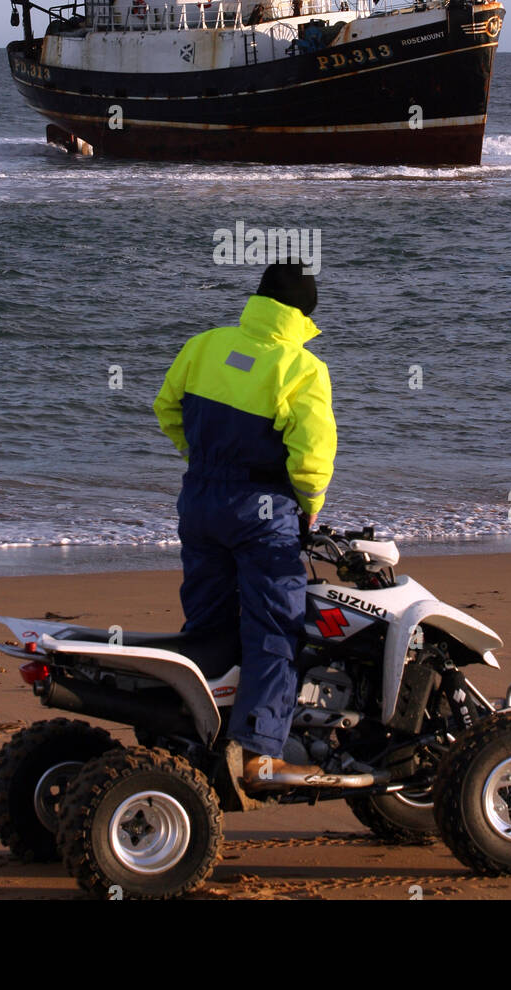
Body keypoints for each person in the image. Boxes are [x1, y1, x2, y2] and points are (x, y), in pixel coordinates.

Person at [153, 261, 337, 791]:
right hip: (263, 508)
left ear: (258, 300)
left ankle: (195, 741)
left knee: (207, 625)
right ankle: (259, 754)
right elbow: (312, 455)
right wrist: (311, 503)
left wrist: (203, 460)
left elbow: (166, 408)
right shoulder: (302, 368)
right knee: (274, 629)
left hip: (200, 499)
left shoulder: (204, 345)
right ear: (304, 315)